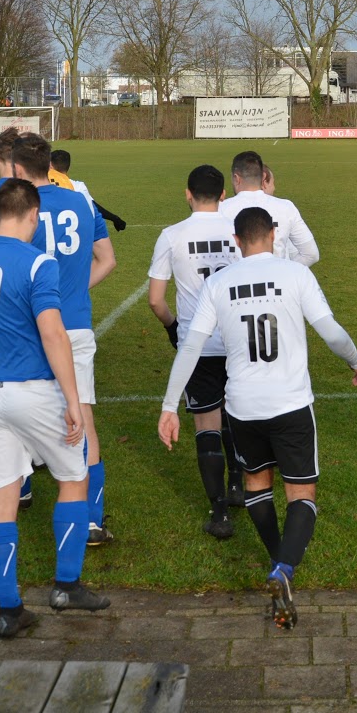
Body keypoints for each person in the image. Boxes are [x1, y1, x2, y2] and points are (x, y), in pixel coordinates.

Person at [158, 207, 357, 631]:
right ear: (273, 235)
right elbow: (331, 332)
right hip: (290, 404)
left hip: (242, 406)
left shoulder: (217, 284)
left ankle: (277, 560)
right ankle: (284, 570)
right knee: (302, 493)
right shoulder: (296, 275)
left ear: (236, 241)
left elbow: (190, 347)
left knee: (256, 486)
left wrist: (168, 405)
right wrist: (355, 361)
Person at [0, 179, 109, 635]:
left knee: (2, 496)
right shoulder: (39, 262)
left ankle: (9, 610)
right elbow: (53, 333)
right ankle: (67, 585)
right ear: (34, 216)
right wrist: (74, 400)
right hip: (34, 391)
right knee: (74, 476)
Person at [8, 136, 117, 541]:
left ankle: (18, 490)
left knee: (18, 411)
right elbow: (108, 260)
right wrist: (72, 291)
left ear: (18, 170)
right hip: (75, 324)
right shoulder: (84, 202)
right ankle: (91, 517)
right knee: (83, 416)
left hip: (30, 325)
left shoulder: (18, 210)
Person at [148, 165, 242, 538]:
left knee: (207, 421)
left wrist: (174, 329)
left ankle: (219, 514)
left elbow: (156, 301)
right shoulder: (239, 231)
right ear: (223, 195)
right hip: (237, 340)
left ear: (187, 193)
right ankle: (238, 487)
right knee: (236, 415)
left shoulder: (171, 236)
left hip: (197, 345)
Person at [221, 151, 319, 266]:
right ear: (263, 177)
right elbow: (311, 254)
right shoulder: (286, 207)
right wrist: (284, 271)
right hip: (279, 281)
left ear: (236, 178)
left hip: (236, 281)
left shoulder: (221, 209)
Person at [51, 148, 126, 232]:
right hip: (70, 235)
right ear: (68, 166)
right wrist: (114, 218)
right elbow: (93, 207)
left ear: (50, 165)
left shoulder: (41, 183)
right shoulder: (77, 186)